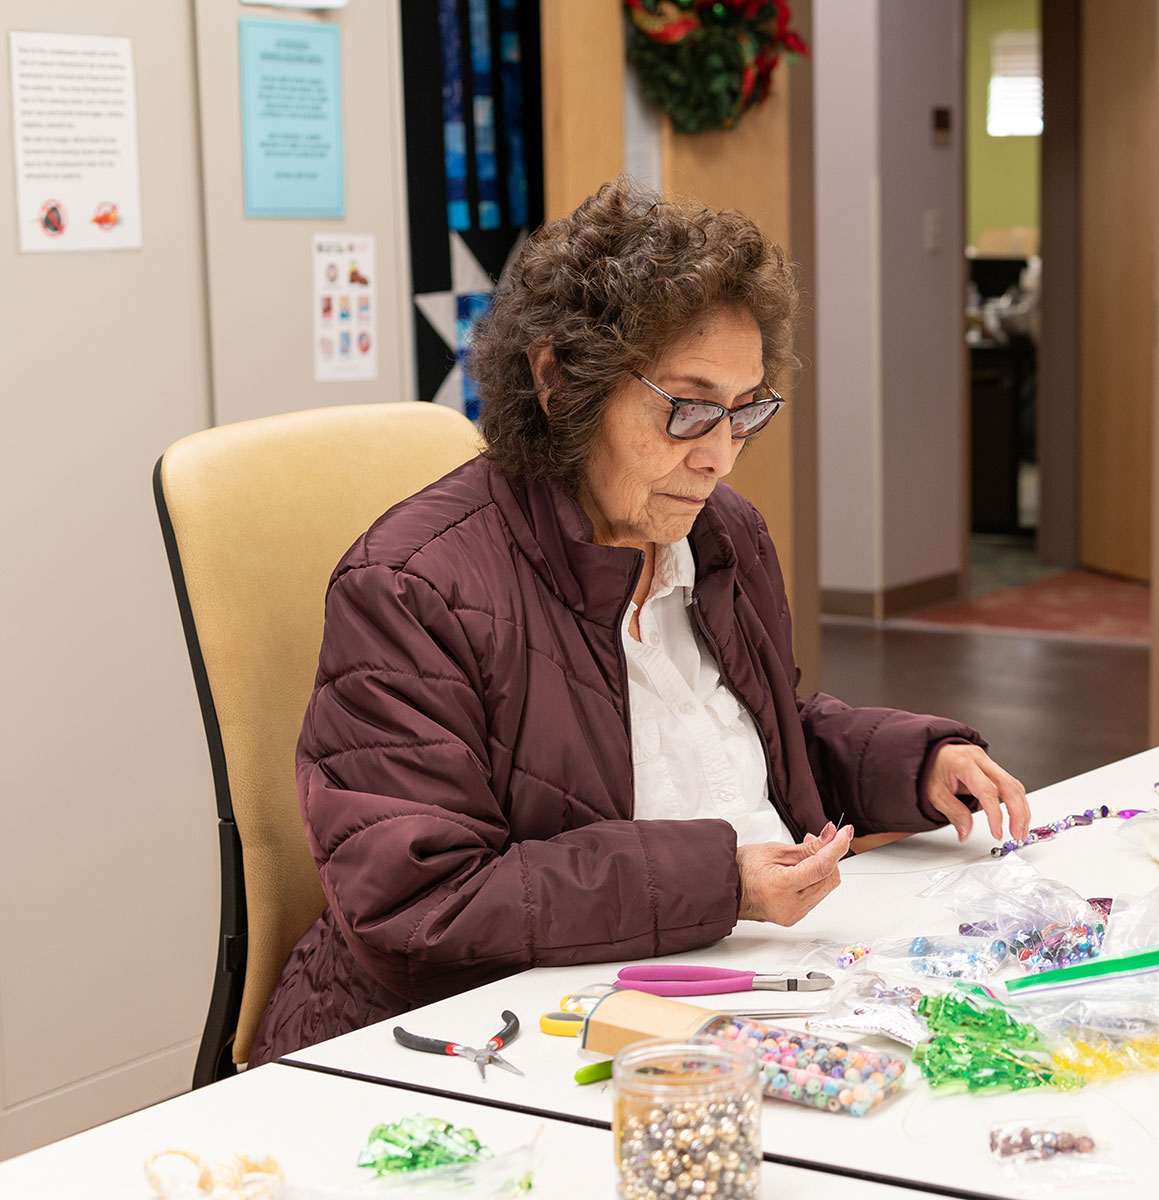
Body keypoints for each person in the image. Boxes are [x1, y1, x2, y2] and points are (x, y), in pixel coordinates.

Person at [249, 178, 1030, 1064]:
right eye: (687, 409)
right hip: (480, 1040)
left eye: (745, 411)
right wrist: (719, 882)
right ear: (559, 380)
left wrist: (911, 764)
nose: (719, 456)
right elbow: (419, 900)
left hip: (716, 987)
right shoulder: (409, 588)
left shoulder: (721, 535)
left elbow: (748, 746)